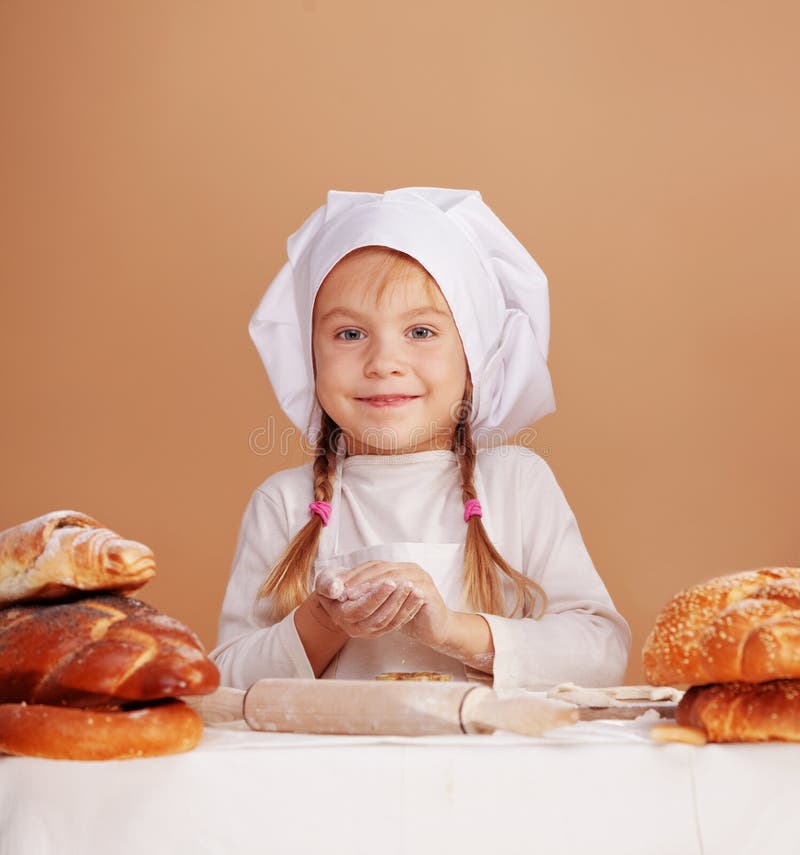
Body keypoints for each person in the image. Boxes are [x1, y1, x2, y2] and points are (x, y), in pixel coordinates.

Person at [210, 187, 630, 689]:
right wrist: (322, 624)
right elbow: (226, 679)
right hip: (338, 769)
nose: (383, 362)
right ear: (310, 358)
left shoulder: (517, 486)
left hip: (489, 768)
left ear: (475, 357)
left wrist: (453, 631)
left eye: (421, 332)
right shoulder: (283, 503)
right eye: (349, 334)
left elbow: (600, 652)